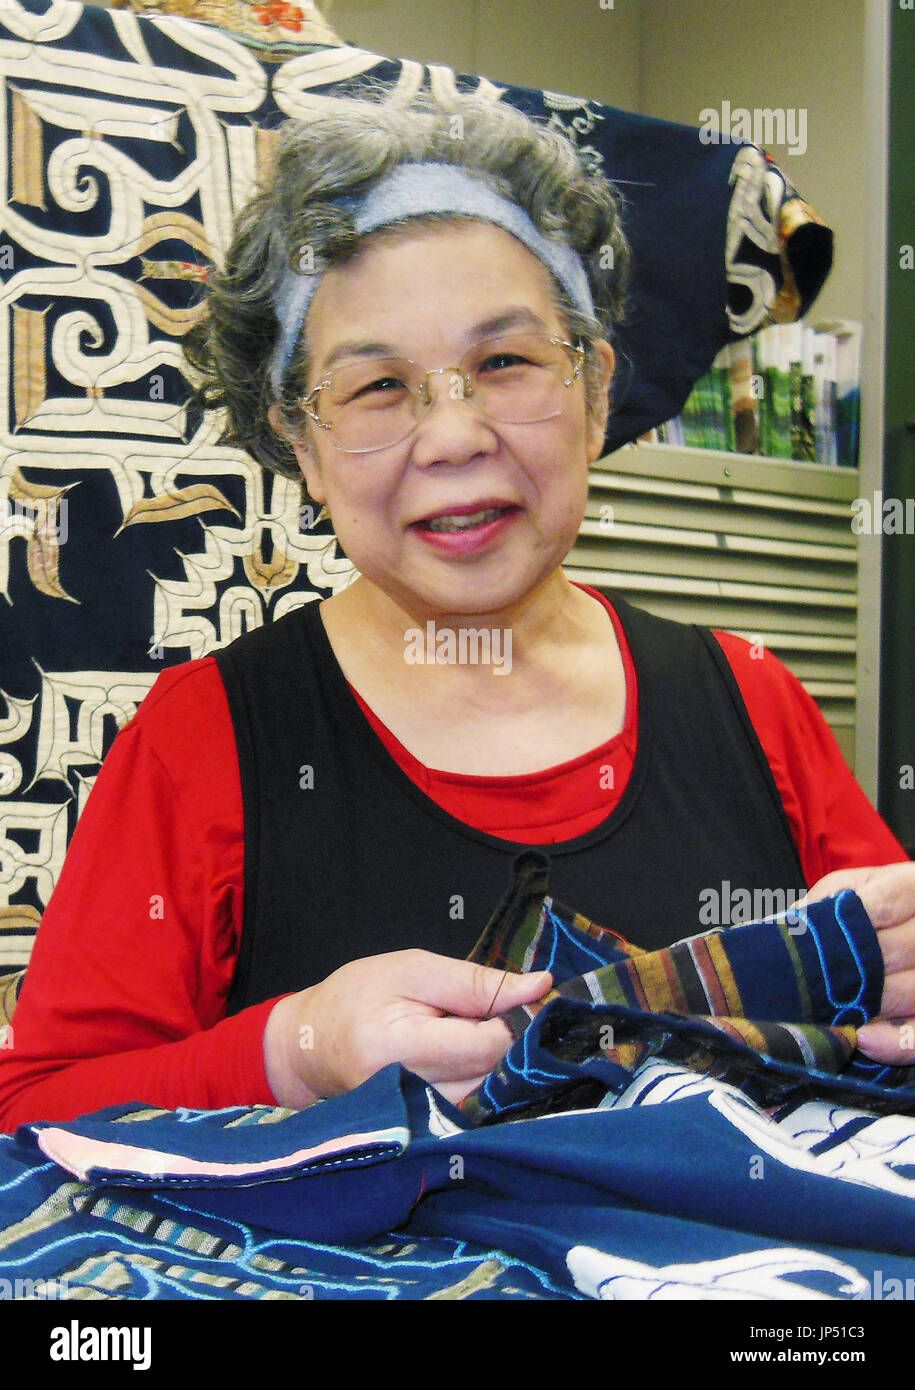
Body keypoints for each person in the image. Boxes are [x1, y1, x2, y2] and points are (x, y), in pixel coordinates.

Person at [0, 91, 911, 1133]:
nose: (452, 436)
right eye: (378, 387)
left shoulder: (752, 703)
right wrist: (297, 1050)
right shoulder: (198, 743)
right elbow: (34, 1115)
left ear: (597, 388)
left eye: (506, 362)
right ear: (300, 440)